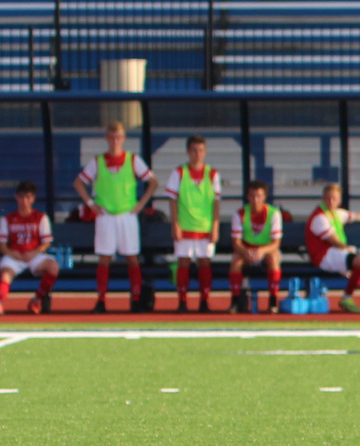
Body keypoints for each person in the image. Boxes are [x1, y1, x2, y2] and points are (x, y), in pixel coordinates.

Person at [73, 120, 157, 314]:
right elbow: (78, 183)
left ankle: (136, 299)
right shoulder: (98, 161)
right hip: (106, 215)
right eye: (111, 137)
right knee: (104, 259)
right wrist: (91, 204)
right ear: (106, 138)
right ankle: (101, 300)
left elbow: (153, 182)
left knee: (132, 258)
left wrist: (141, 203)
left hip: (127, 214)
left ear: (124, 138)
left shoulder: (132, 160)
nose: (115, 141)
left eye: (118, 137)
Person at [304, 183, 360, 314]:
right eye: (327, 198)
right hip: (324, 257)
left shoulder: (337, 213)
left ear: (339, 200)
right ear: (323, 198)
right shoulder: (319, 217)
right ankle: (347, 297)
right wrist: (351, 251)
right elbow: (335, 242)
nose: (330, 201)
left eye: (334, 198)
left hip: (337, 253)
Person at [164, 135, 223, 314]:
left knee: (205, 263)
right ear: (188, 152)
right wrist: (175, 224)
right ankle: (182, 301)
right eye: (194, 150)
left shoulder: (212, 174)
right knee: (183, 263)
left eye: (201, 150)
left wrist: (215, 226)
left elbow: (216, 203)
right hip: (185, 226)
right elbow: (172, 200)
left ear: (205, 152)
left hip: (205, 226)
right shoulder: (179, 173)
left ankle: (204, 301)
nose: (197, 154)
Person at [1, 181, 59, 316]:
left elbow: (46, 243)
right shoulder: (7, 219)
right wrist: (13, 253)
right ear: (16, 197)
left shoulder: (41, 218)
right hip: (14, 256)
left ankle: (37, 299)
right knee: (5, 274)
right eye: (21, 197)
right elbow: (2, 245)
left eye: (28, 197)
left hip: (34, 255)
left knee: (53, 267)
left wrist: (33, 253)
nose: (24, 201)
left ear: (33, 198)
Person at [229, 180, 284, 314]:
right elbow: (236, 243)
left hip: (266, 250)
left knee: (274, 258)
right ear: (247, 197)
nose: (255, 200)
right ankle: (235, 302)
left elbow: (276, 244)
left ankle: (273, 302)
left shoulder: (274, 214)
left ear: (264, 197)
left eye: (258, 196)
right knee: (236, 260)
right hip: (246, 250)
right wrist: (245, 251)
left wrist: (261, 251)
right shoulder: (240, 214)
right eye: (252, 196)